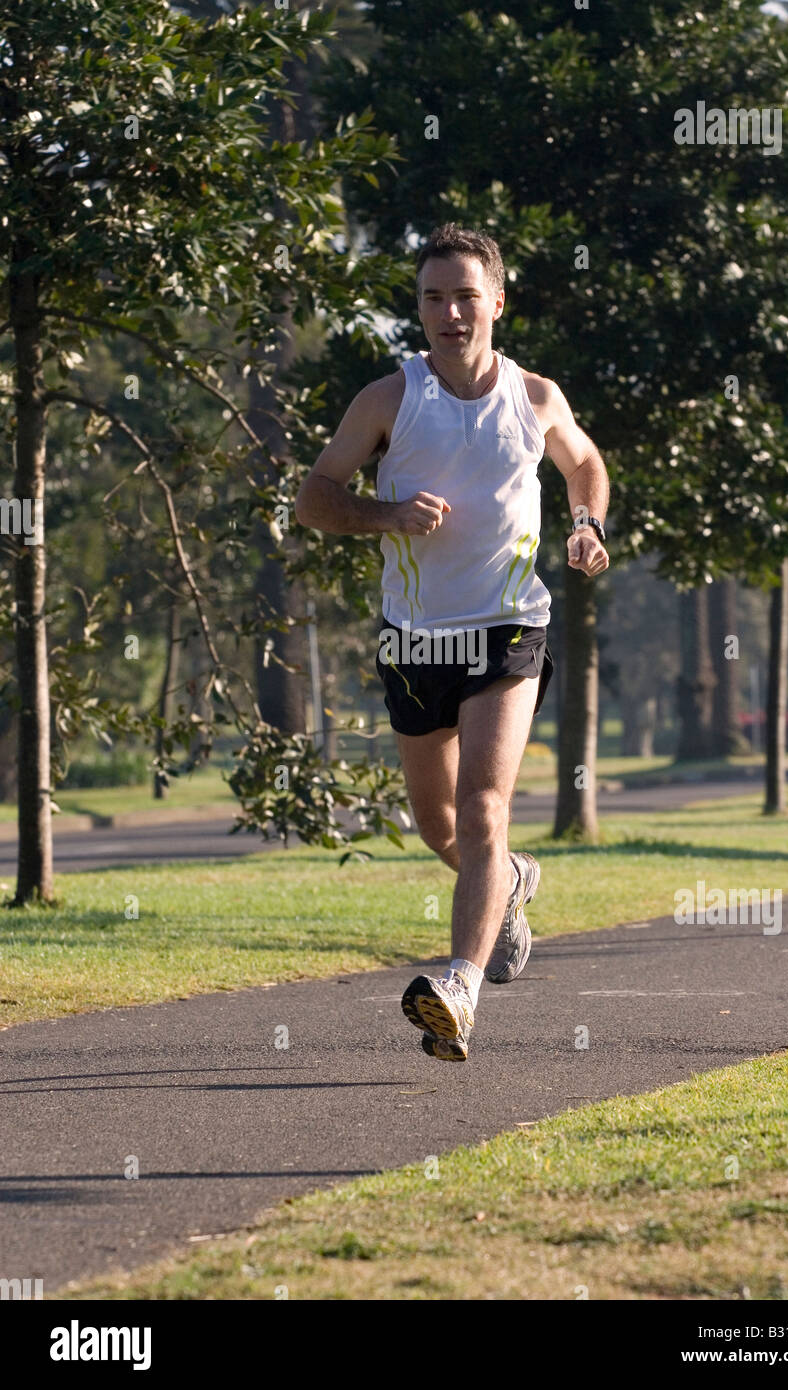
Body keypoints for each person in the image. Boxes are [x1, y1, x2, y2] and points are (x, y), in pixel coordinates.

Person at [295, 223, 609, 1061]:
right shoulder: (387, 400)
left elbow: (584, 463)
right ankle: (507, 882)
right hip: (415, 640)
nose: (450, 312)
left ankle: (458, 990)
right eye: (434, 298)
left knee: (481, 808)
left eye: (466, 296)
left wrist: (585, 523)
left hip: (509, 628)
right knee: (440, 825)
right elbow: (315, 499)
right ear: (421, 309)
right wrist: (384, 514)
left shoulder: (534, 397)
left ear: (497, 303)